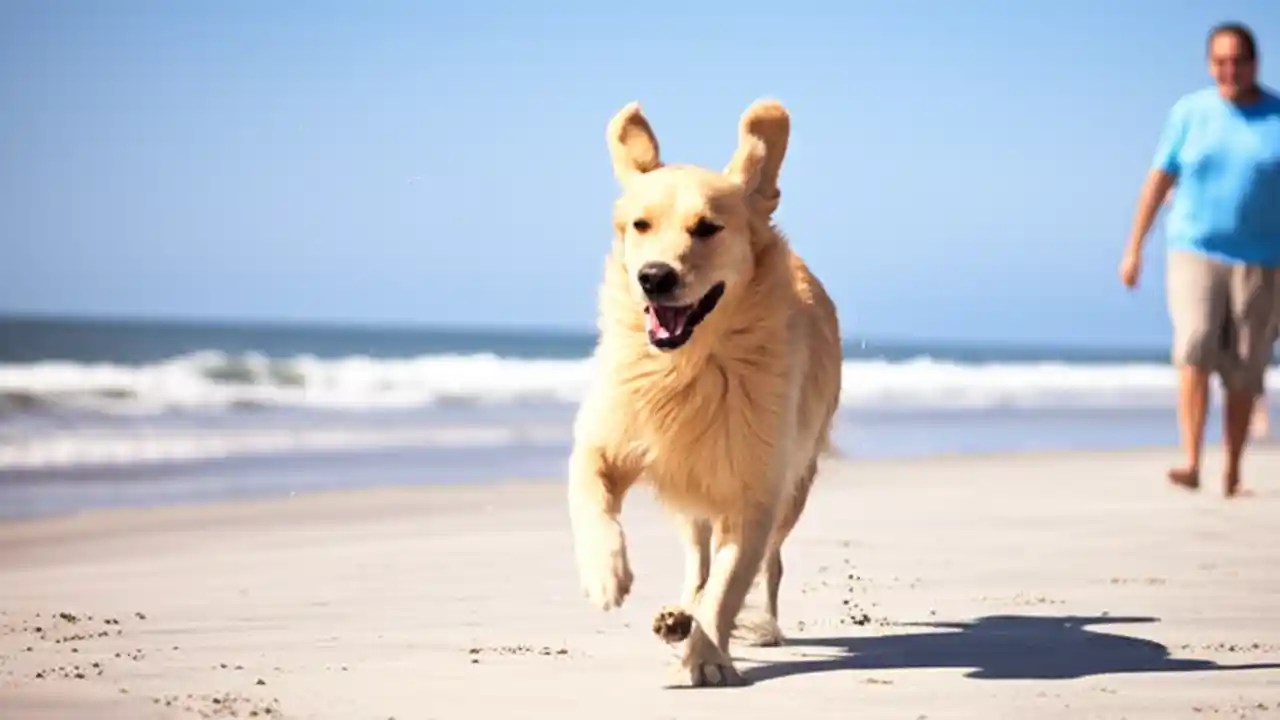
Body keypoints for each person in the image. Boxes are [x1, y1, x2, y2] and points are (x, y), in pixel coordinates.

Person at [1120, 21, 1280, 497]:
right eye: (1220, 61)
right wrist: (1134, 247)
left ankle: (1231, 469)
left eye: (1238, 61)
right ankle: (1191, 459)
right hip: (1195, 249)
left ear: (1255, 62)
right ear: (1211, 64)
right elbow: (1158, 182)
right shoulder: (1190, 113)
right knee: (1195, 344)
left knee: (1245, 367)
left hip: (1264, 261)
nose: (1229, 70)